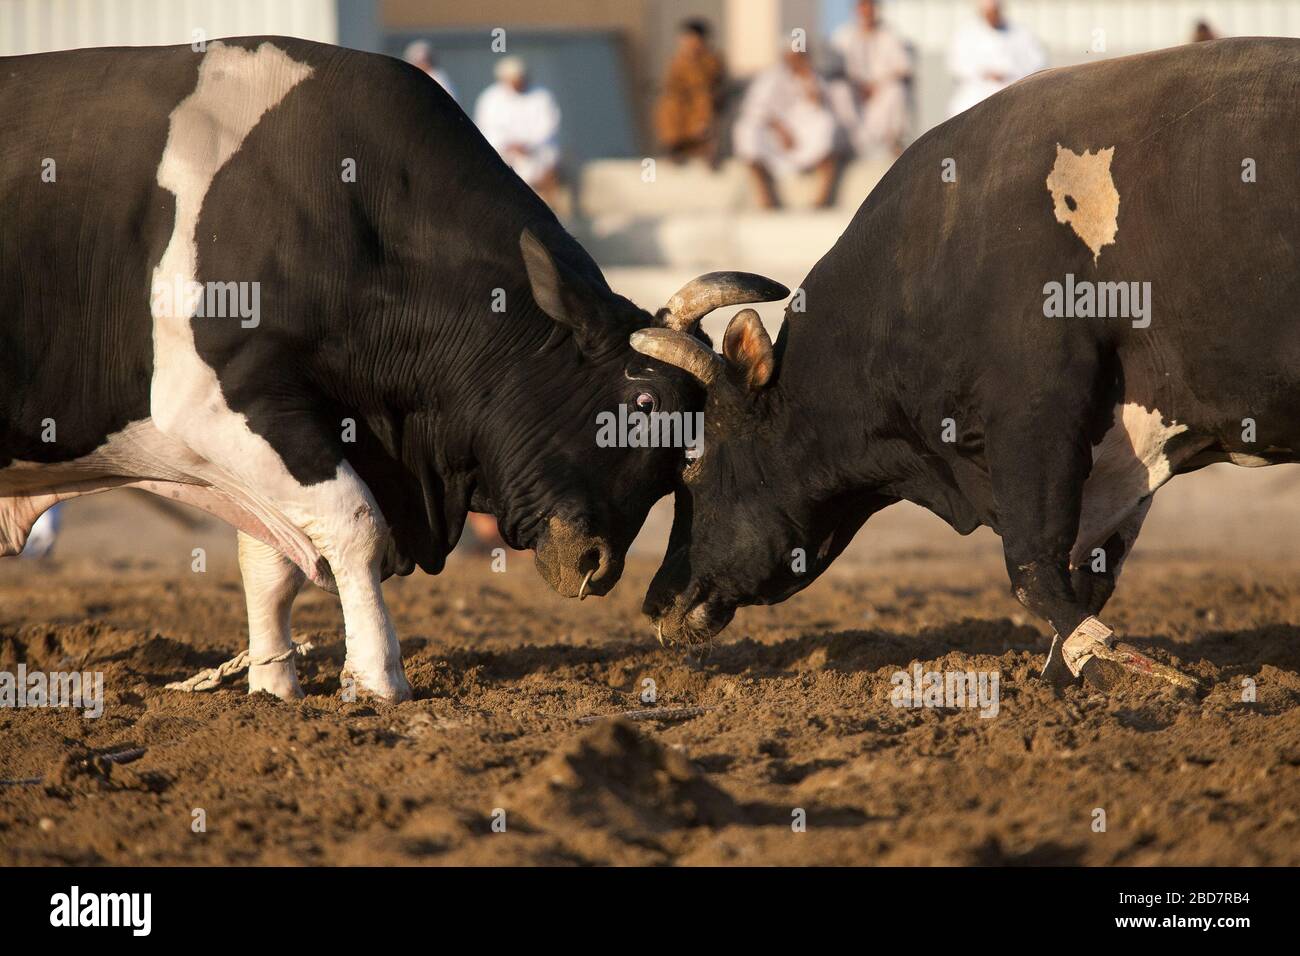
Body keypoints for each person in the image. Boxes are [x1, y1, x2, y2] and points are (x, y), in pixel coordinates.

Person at [733, 47, 841, 209]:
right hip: (774, 137)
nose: (797, 59)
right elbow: (755, 110)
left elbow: (820, 108)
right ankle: (766, 199)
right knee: (745, 131)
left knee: (828, 126)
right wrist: (780, 129)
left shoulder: (813, 77)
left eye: (801, 56)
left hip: (803, 138)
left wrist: (807, 78)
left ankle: (820, 201)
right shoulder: (770, 78)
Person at [828, 0, 912, 157]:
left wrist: (878, 85)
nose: (866, 11)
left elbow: (903, 69)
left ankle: (893, 142)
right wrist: (857, 86)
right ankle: (844, 145)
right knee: (838, 90)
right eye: (862, 6)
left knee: (896, 90)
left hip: (881, 94)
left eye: (869, 6)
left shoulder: (889, 34)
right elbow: (834, 70)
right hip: (855, 96)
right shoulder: (843, 36)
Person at [473, 56, 562, 205]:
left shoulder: (541, 96)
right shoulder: (490, 98)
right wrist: (508, 146)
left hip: (537, 154)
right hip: (505, 155)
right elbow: (486, 128)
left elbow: (549, 126)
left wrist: (528, 146)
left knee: (549, 168)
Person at [947, 0, 1045, 118]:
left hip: (1013, 90)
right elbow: (957, 65)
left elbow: (1037, 61)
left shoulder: (1020, 33)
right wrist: (985, 73)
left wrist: (1009, 73)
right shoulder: (966, 34)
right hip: (976, 94)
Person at [654, 18, 726, 164]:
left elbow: (713, 84)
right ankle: (675, 147)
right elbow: (671, 85)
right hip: (681, 103)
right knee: (670, 107)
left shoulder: (712, 60)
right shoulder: (677, 60)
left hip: (705, 101)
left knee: (703, 103)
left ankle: (706, 149)